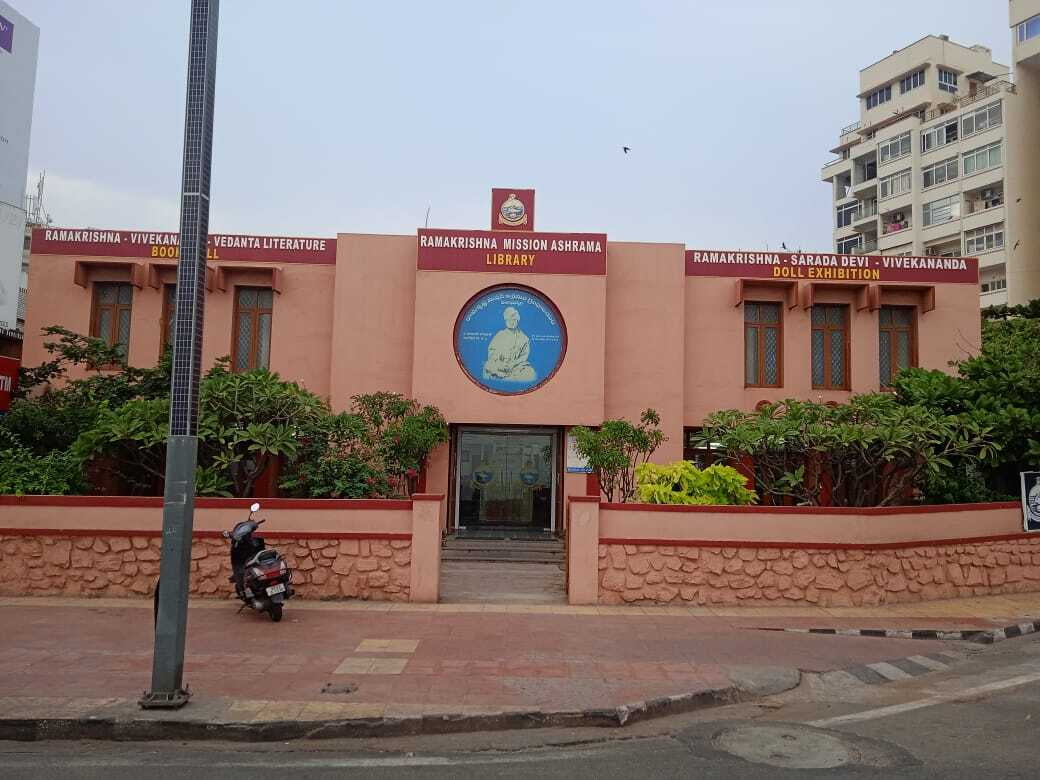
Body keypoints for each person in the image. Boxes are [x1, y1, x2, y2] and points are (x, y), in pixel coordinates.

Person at [483, 306, 536, 382]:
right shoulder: (499, 335)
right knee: (488, 366)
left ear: (517, 320)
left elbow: (524, 357)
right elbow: (491, 351)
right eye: (509, 319)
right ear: (506, 320)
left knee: (530, 372)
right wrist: (499, 362)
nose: (512, 322)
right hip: (499, 365)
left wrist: (513, 364)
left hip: (515, 367)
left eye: (514, 319)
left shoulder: (524, 338)